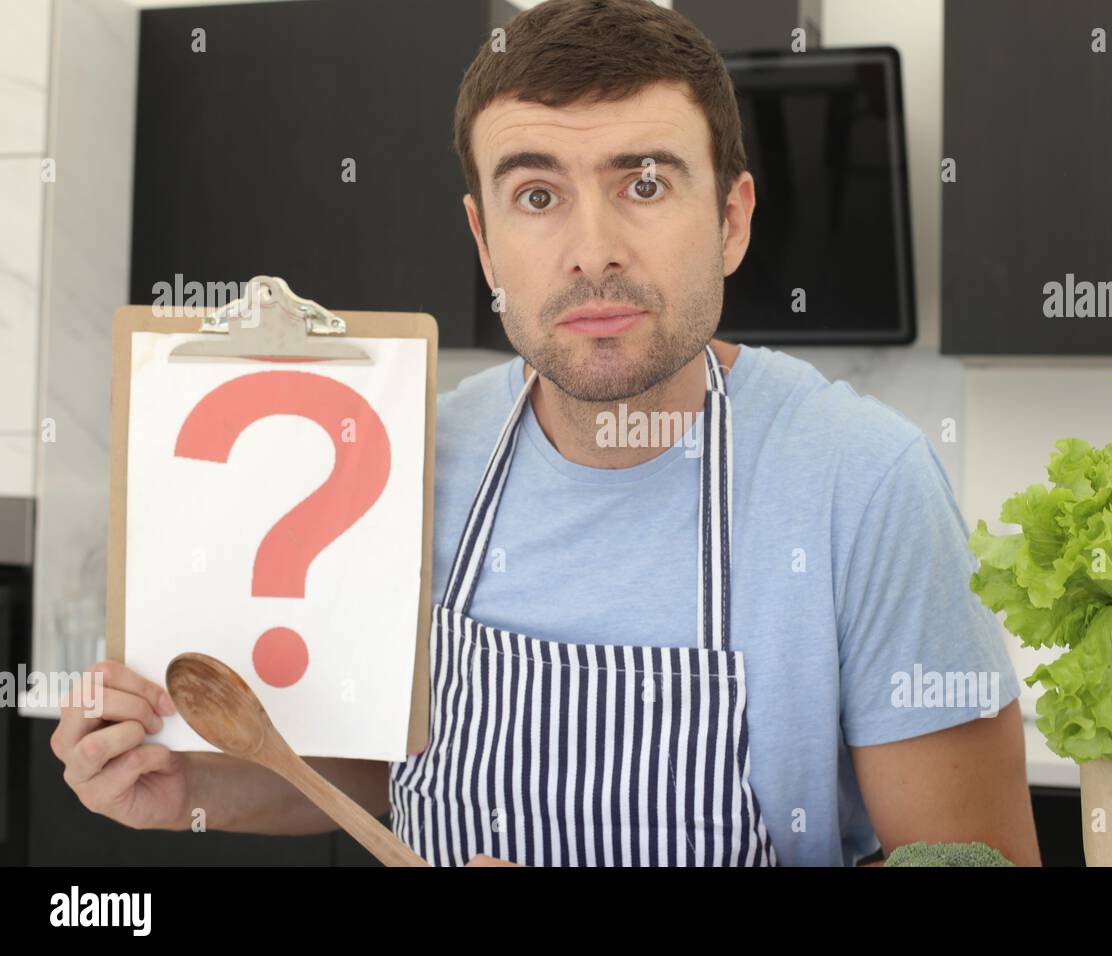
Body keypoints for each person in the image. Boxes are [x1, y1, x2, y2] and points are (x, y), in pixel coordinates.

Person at [52, 0, 1041, 867]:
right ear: (484, 239)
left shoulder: (863, 484)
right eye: (536, 195)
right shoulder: (411, 452)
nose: (591, 249)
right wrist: (184, 789)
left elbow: (968, 865)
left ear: (733, 219)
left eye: (644, 183)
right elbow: (387, 768)